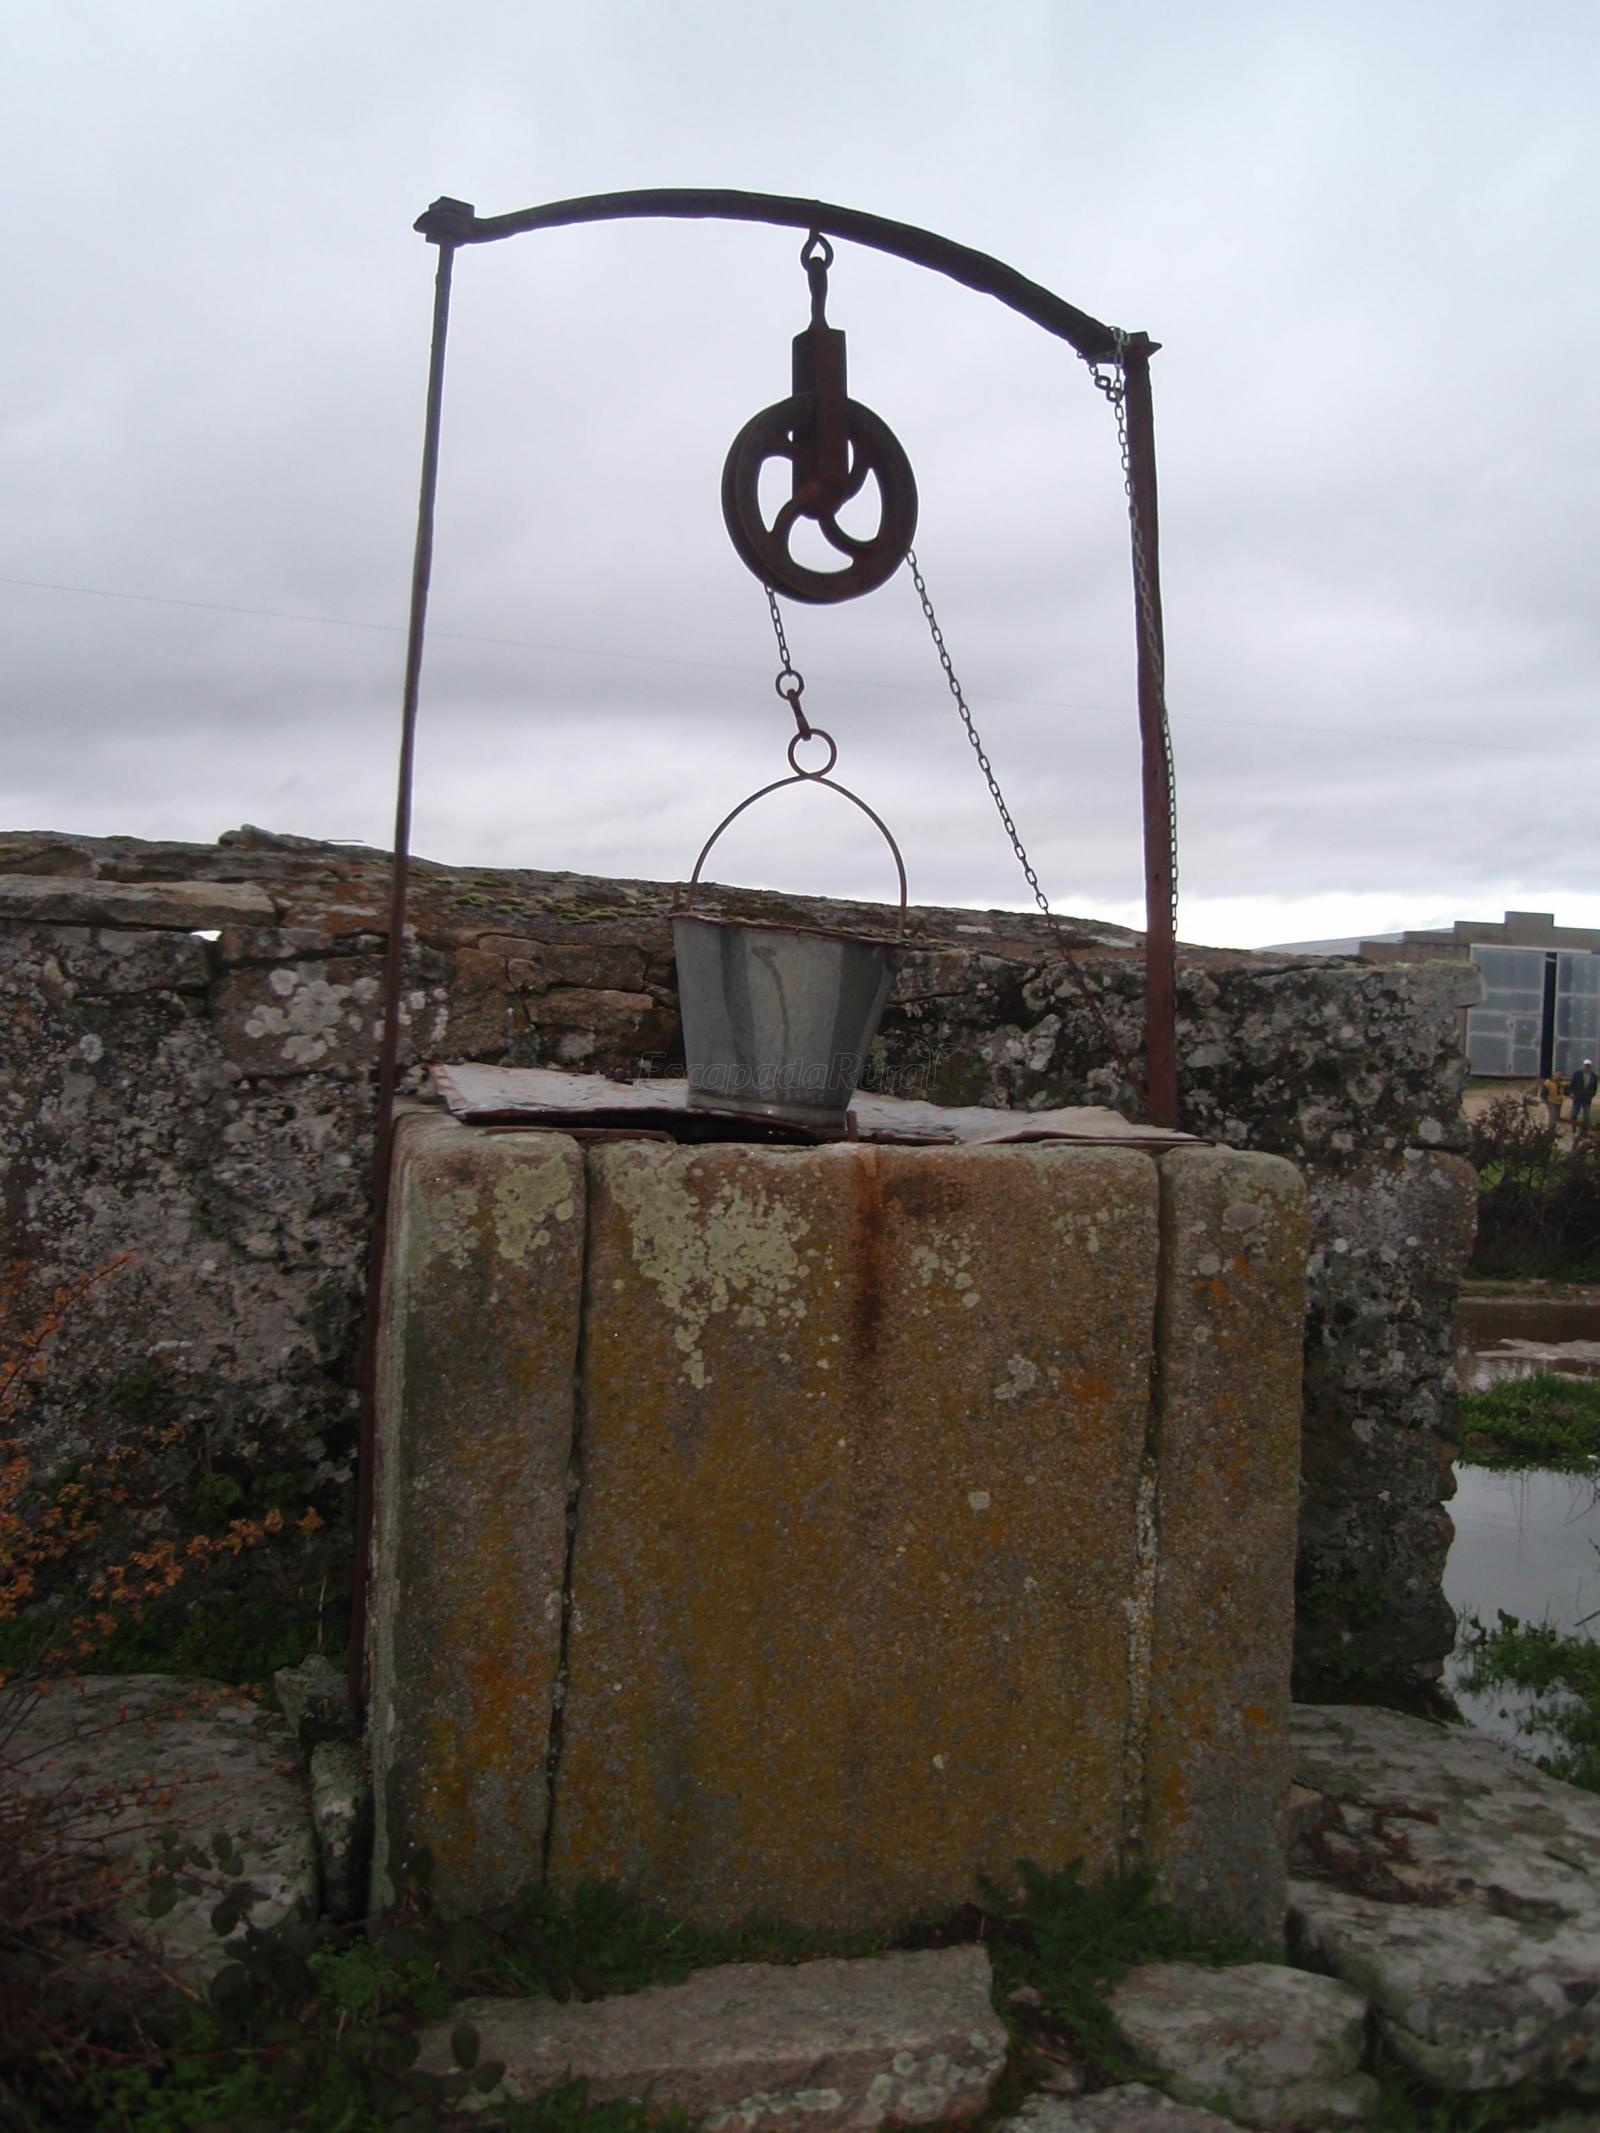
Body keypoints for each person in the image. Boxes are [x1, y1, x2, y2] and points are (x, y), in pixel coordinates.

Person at [1569, 1059, 1598, 1131]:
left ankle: (1584, 1130)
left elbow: (1594, 1088)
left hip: (1587, 1099)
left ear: (1590, 1067)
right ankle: (1574, 1128)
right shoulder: (1577, 1074)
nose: (1587, 1067)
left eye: (1588, 1066)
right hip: (1577, 1097)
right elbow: (1572, 1085)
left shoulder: (1594, 1076)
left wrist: (1591, 1095)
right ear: (1583, 1065)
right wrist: (1572, 1093)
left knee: (1586, 1116)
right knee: (1574, 1113)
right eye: (1586, 1065)